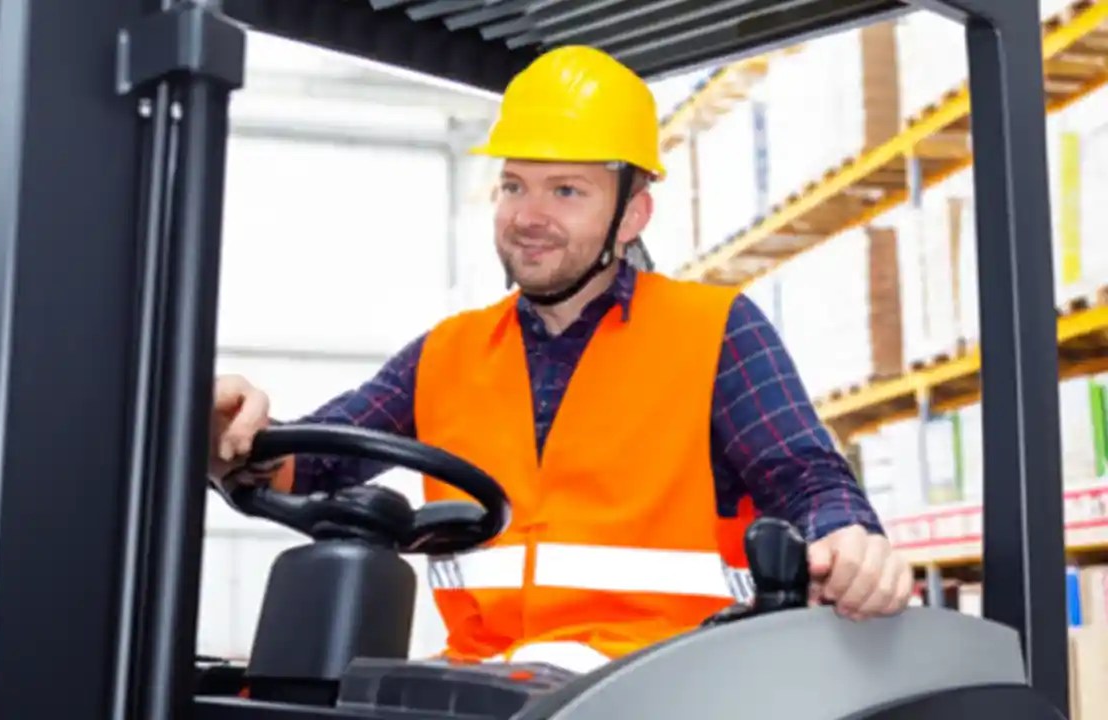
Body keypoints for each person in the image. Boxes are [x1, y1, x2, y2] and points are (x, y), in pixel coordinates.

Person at [209, 45, 912, 672]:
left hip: (659, 684)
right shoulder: (447, 351)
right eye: (515, 185)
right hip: (488, 681)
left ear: (632, 215)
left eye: (566, 190)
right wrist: (233, 436)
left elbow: (806, 479)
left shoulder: (716, 332)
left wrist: (847, 541)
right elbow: (317, 462)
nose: (527, 215)